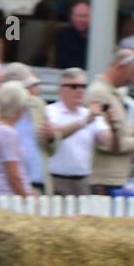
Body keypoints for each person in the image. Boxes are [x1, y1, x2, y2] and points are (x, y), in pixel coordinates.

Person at [0, 64, 56, 195]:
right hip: (10, 191)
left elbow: (51, 149)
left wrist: (52, 137)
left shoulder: (39, 105)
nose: (30, 91)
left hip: (38, 185)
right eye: (26, 87)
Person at [87, 49, 134, 195]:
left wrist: (133, 131)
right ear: (120, 67)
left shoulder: (112, 93)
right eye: (133, 73)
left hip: (115, 178)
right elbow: (105, 142)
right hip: (105, 179)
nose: (133, 79)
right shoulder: (99, 94)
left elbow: (115, 128)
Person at [45, 67, 107, 196]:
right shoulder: (50, 111)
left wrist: (114, 122)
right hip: (57, 179)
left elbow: (107, 141)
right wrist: (86, 121)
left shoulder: (89, 114)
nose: (79, 90)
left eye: (83, 86)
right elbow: (55, 133)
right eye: (74, 86)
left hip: (83, 181)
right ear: (61, 89)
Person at [0, 81, 32, 196]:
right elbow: (14, 176)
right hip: (10, 197)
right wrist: (27, 198)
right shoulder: (8, 133)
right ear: (19, 108)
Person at [54, 1, 90, 70]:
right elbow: (62, 63)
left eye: (85, 16)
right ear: (71, 17)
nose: (81, 20)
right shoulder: (64, 37)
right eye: (78, 16)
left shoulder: (99, 38)